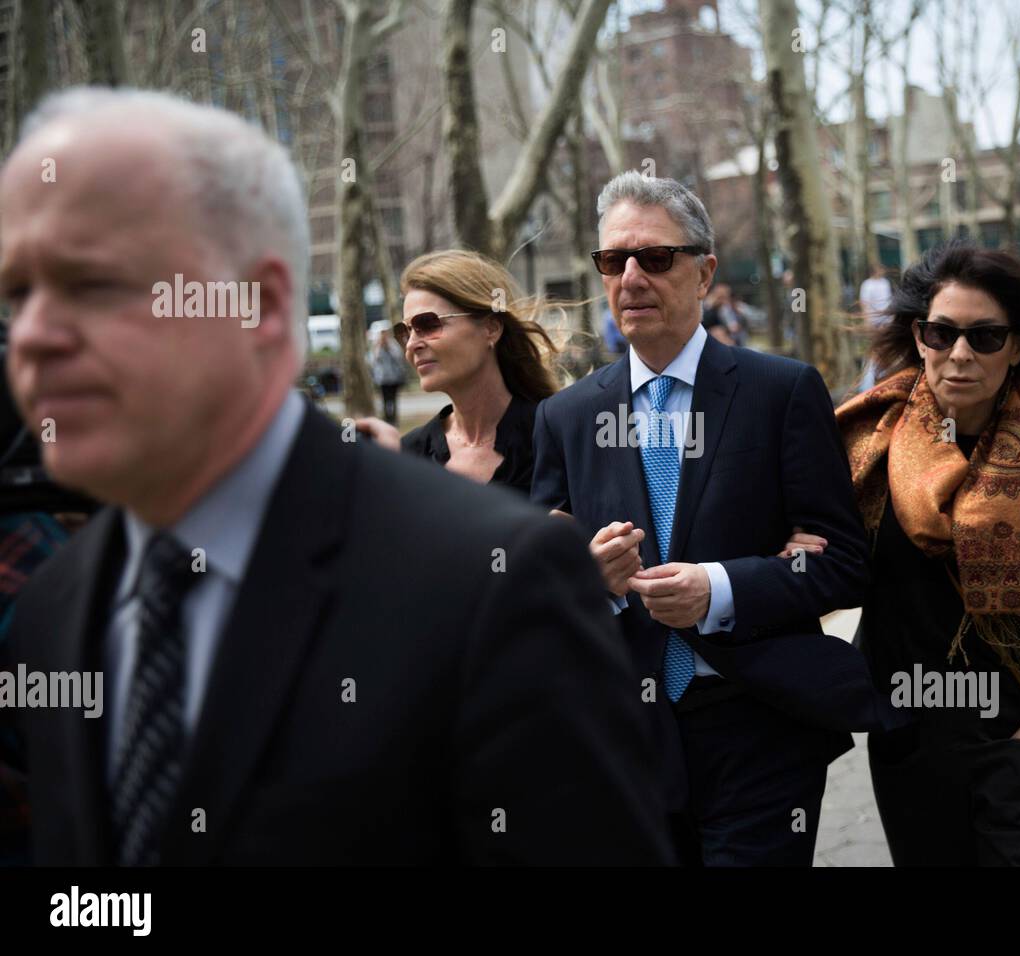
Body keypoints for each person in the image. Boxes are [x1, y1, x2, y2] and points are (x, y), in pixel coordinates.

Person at [0, 88, 673, 866]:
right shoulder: (55, 609)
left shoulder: (493, 585)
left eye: (94, 285)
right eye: (18, 293)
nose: (37, 336)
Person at [532, 172, 893, 867]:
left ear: (705, 272)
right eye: (613, 261)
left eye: (655, 258)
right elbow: (536, 585)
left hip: (758, 726)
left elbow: (843, 560)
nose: (631, 276)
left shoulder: (780, 393)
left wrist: (718, 589)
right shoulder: (569, 416)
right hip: (625, 737)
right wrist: (588, 582)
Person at [836, 240, 1020, 865]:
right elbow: (832, 575)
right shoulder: (867, 458)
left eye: (986, 337)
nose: (960, 354)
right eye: (941, 333)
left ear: (1018, 348)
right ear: (919, 338)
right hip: (912, 749)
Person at [357, 250, 557, 494]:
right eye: (405, 331)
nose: (411, 345)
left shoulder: (554, 437)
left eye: (427, 324)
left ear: (491, 328)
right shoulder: (411, 453)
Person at [857, 264, 893, 392]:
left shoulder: (885, 283)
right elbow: (864, 303)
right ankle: (867, 383)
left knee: (886, 349)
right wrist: (868, 322)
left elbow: (888, 301)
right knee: (874, 350)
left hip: (886, 320)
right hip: (873, 321)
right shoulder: (867, 285)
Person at [368, 325, 406, 425]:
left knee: (394, 399)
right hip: (382, 379)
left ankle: (394, 418)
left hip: (394, 377)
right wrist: (379, 347)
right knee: (384, 400)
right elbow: (372, 361)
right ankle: (386, 418)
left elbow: (399, 357)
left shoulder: (393, 345)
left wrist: (388, 347)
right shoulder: (376, 346)